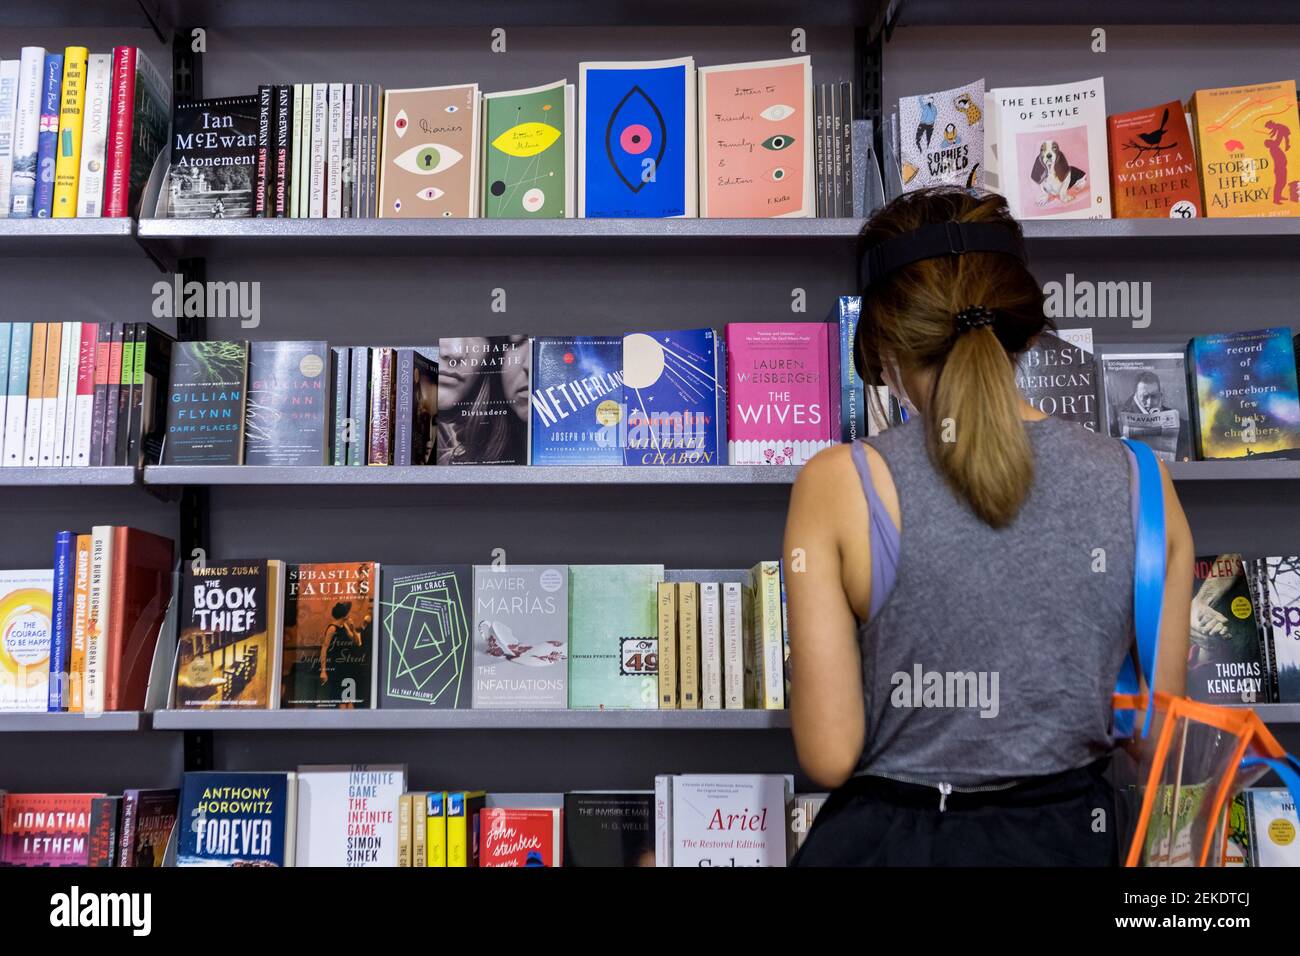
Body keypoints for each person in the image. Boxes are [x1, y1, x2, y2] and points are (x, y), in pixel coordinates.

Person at [784, 187, 1194, 866]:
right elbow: (1159, 742)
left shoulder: (837, 482)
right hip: (1070, 843)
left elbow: (830, 754)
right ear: (1028, 332)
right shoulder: (1141, 481)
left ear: (884, 349)